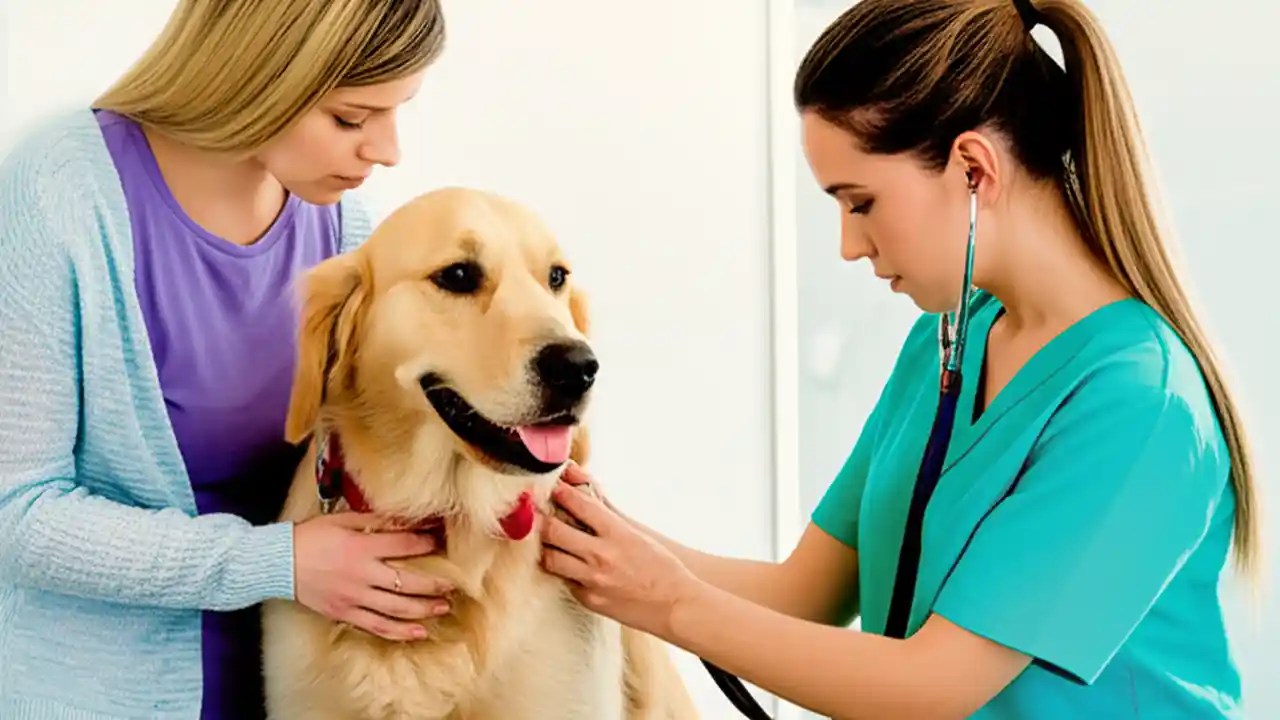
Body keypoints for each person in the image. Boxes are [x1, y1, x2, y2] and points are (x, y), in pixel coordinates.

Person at [539, 1, 1259, 718]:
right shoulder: (945, 343)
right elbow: (803, 595)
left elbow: (933, 685)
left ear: (973, 169)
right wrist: (583, 532)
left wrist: (663, 601)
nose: (849, 245)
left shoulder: (1139, 401)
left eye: (861, 203)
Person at [0, 2, 454, 717]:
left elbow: (363, 456)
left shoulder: (347, 233)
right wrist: (278, 564)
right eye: (350, 118)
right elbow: (17, 513)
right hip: (95, 693)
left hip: (298, 679)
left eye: (399, 110)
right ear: (259, 75)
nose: (388, 151)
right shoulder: (56, 193)